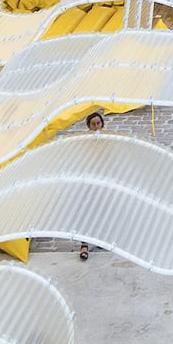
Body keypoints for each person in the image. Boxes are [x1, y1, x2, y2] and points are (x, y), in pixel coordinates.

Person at [76, 111, 106, 260]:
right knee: (87, 211)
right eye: (93, 124)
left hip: (102, 181)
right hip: (88, 182)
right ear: (88, 126)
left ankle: (100, 238)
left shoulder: (108, 140)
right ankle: (84, 245)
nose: (96, 126)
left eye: (98, 123)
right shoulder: (84, 141)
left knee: (101, 210)